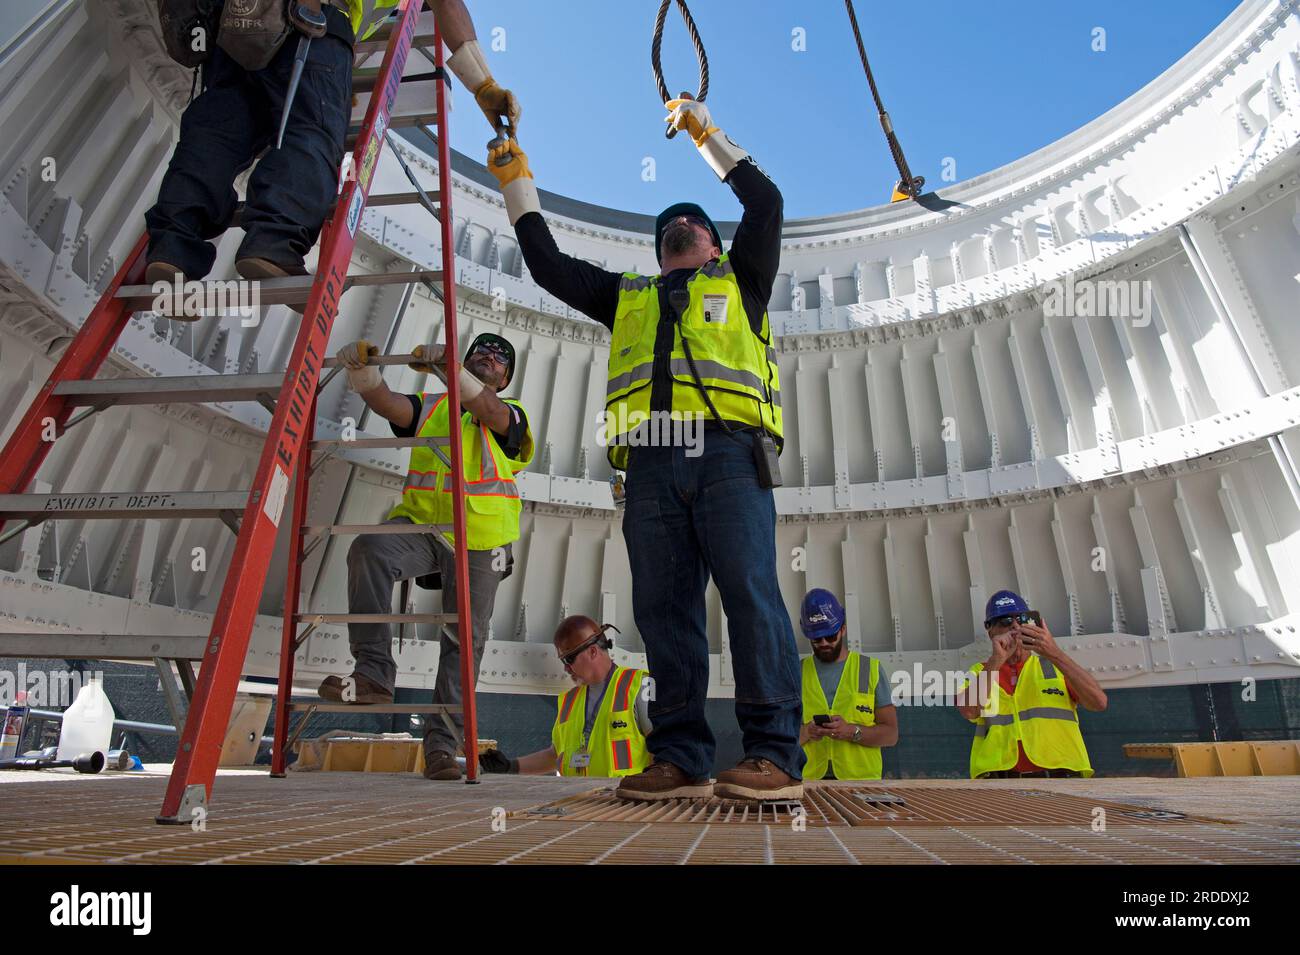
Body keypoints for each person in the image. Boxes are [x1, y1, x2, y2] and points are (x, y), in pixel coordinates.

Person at [485, 96, 801, 802]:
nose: (676, 224)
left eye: (692, 221)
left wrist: (703, 134)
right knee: (664, 610)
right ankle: (681, 752)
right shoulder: (628, 296)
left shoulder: (743, 279)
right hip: (649, 469)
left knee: (751, 597)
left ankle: (774, 753)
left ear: (716, 245)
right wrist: (517, 185)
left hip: (729, 455)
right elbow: (546, 265)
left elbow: (766, 200)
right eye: (665, 226)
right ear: (657, 254)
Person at [144, 0, 518, 312]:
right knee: (312, 132)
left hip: (237, 25)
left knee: (215, 137)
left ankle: (173, 246)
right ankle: (274, 242)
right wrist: (483, 85)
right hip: (312, 23)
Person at [322, 332, 533, 781]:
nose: (489, 358)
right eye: (481, 351)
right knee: (369, 549)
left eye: (500, 358)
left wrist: (451, 371)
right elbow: (387, 404)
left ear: (507, 377)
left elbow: (491, 413)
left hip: (480, 537)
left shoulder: (511, 414)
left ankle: (441, 746)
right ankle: (374, 674)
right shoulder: (434, 407)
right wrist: (362, 370)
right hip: (422, 526)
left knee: (463, 639)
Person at [955, 590, 1107, 779]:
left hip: (1063, 777)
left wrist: (1053, 652)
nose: (1015, 626)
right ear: (990, 630)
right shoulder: (979, 671)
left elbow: (1098, 702)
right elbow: (969, 710)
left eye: (1021, 619)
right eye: (1005, 621)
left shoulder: (1056, 665)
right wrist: (997, 660)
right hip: (998, 782)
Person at [486, 615, 652, 777]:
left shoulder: (639, 686)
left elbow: (663, 749)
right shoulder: (569, 701)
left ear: (593, 651)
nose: (566, 668)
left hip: (624, 802)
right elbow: (554, 755)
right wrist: (509, 766)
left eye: (569, 659)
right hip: (578, 800)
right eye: (563, 661)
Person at [797, 589, 898, 781]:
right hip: (808, 783)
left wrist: (852, 732)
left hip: (861, 785)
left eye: (830, 636)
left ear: (842, 629)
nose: (824, 643)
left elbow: (891, 734)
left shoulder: (870, 669)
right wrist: (806, 732)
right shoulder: (797, 672)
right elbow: (780, 735)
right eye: (816, 639)